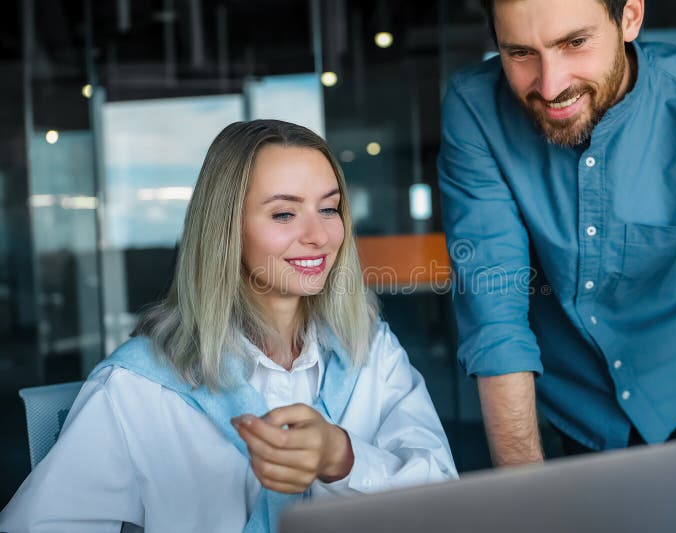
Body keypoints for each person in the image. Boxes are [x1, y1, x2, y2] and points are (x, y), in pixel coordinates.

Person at [437, 0, 676, 530]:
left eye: (574, 43)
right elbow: (495, 306)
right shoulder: (475, 109)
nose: (550, 83)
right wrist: (525, 501)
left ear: (629, 17)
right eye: (520, 52)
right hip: (561, 393)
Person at [1, 119, 457, 533]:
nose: (319, 235)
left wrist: (343, 459)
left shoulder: (371, 350)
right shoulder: (136, 388)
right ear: (227, 230)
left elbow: (445, 502)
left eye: (330, 208)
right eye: (284, 213)